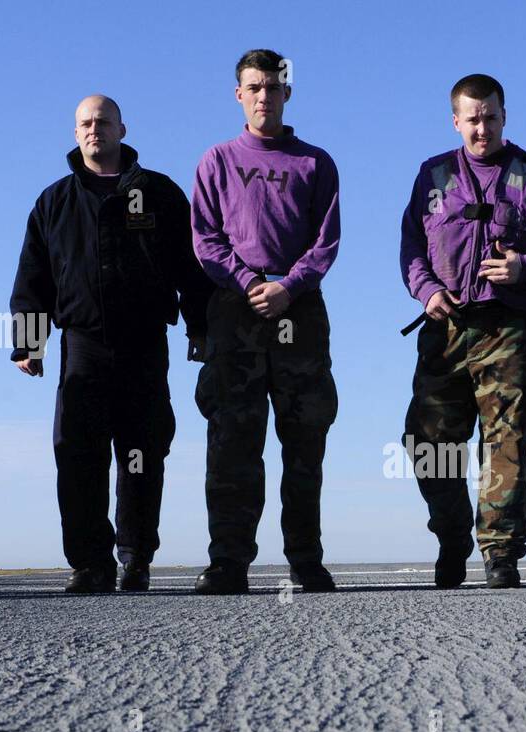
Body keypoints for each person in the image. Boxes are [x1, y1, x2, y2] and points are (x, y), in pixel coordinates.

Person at [11, 95, 209, 594]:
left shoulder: (159, 194)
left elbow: (191, 267)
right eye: (84, 123)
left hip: (144, 342)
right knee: (78, 452)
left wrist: (200, 328)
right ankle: (89, 563)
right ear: (75, 133)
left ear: (123, 128)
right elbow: (33, 277)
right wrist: (29, 342)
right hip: (82, 343)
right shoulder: (53, 202)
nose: (94, 130)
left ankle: (136, 558)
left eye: (102, 121)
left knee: (143, 451)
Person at [400, 73, 526, 589]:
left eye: (490, 118)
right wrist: (426, 289)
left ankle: (500, 553)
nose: (482, 129)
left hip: (509, 326)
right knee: (428, 442)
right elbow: (410, 246)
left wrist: (525, 267)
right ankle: (452, 535)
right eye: (472, 119)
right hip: (444, 325)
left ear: (504, 116)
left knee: (507, 441)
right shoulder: (432, 176)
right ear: (456, 121)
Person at [192, 48, 341, 595]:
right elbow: (205, 240)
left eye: (273, 87)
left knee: (305, 437)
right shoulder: (216, 161)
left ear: (287, 93)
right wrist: (249, 283)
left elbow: (325, 242)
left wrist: (288, 286)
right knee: (232, 438)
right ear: (239, 94)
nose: (263, 96)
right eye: (253, 87)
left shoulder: (315, 163)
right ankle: (228, 560)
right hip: (236, 310)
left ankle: (306, 558)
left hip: (299, 309)